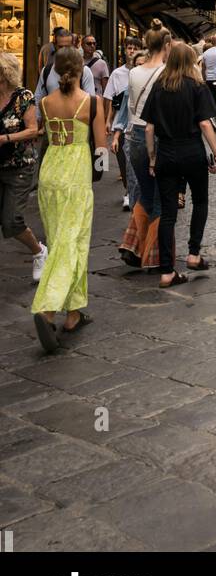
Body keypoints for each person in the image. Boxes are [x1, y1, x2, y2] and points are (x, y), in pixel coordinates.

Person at [31, 47, 107, 352]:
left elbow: (44, 136)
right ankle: (47, 308)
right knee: (70, 242)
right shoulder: (91, 102)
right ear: (81, 71)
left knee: (65, 240)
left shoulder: (46, 103)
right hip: (75, 175)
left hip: (50, 173)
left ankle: (74, 310)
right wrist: (98, 174)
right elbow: (101, 147)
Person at [142, 42, 216, 288]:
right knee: (200, 201)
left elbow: (148, 127)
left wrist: (153, 157)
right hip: (191, 152)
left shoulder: (159, 87)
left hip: (166, 152)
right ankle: (193, 253)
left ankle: (167, 270)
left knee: (168, 213)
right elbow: (205, 124)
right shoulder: (197, 87)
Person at [118, 22, 172, 270]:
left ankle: (133, 246)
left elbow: (130, 108)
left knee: (145, 193)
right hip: (158, 136)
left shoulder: (133, 72)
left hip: (134, 136)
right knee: (162, 197)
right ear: (167, 45)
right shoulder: (167, 72)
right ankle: (154, 255)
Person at [0, 53, 47, 282]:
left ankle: (39, 252)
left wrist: (6, 139)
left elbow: (33, 130)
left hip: (20, 166)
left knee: (12, 221)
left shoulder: (24, 97)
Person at [103, 35, 139, 210]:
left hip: (139, 124)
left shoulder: (142, 71)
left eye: (135, 48)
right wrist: (108, 121)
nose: (131, 51)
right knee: (123, 160)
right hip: (122, 123)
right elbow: (111, 99)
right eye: (129, 48)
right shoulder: (117, 74)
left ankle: (134, 193)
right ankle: (127, 190)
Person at [34, 30, 95, 116]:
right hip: (52, 124)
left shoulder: (84, 71)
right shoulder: (46, 71)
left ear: (73, 46)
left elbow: (90, 103)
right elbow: (38, 98)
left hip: (77, 123)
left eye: (67, 47)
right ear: (55, 46)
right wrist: (37, 121)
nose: (63, 50)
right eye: (60, 47)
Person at [82, 34, 109, 99]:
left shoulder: (102, 64)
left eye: (94, 43)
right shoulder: (77, 62)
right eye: (89, 43)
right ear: (82, 45)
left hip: (97, 101)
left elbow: (105, 89)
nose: (92, 46)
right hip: (81, 101)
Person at [200, 34, 216, 107]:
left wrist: (204, 79)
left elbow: (203, 68)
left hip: (209, 79)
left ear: (211, 42)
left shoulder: (205, 53)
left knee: (211, 99)